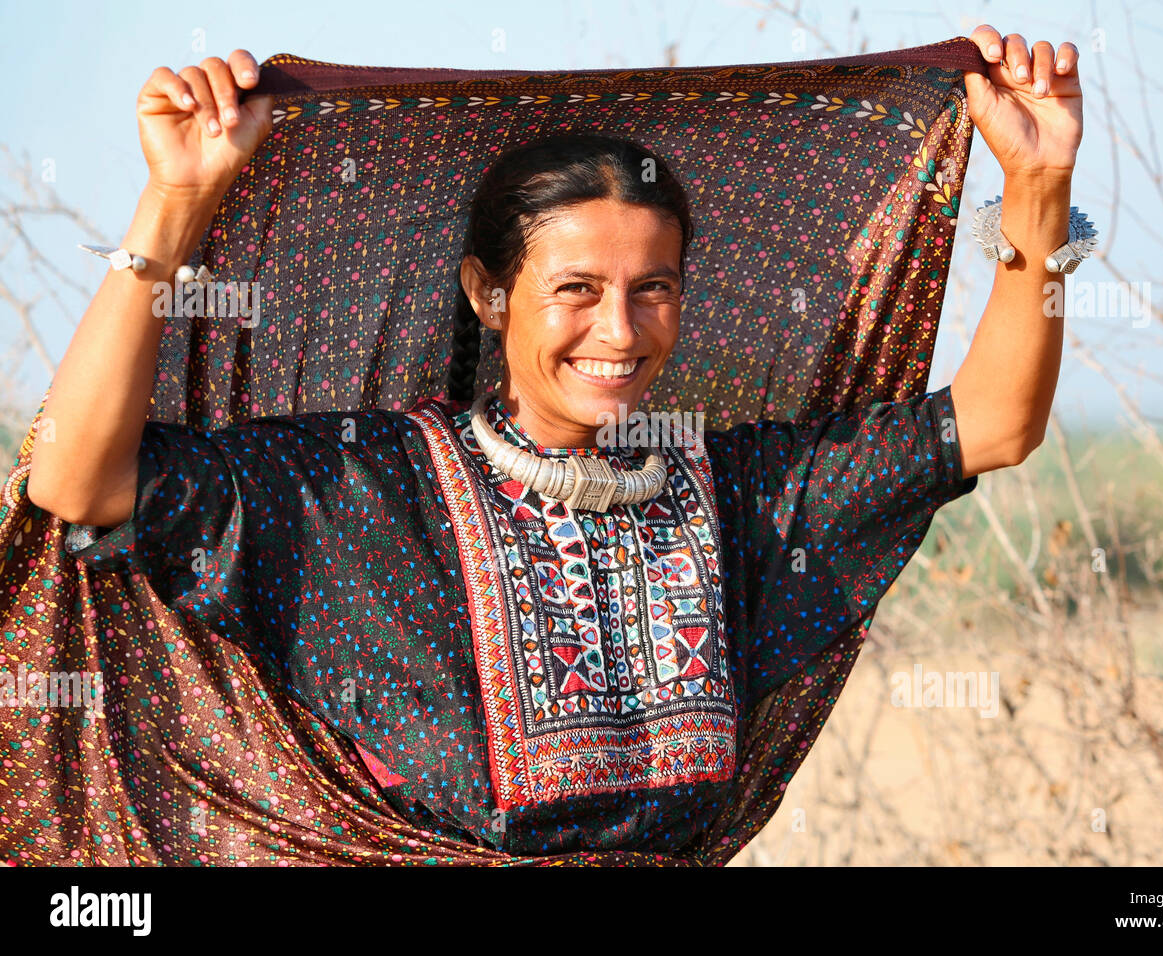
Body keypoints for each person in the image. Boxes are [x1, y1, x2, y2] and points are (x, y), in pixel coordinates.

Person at [25, 25, 1082, 857]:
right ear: (490, 294)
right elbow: (81, 476)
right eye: (575, 289)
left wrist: (1037, 192)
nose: (619, 332)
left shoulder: (741, 492)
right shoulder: (359, 489)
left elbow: (990, 422)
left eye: (652, 290)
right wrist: (174, 204)